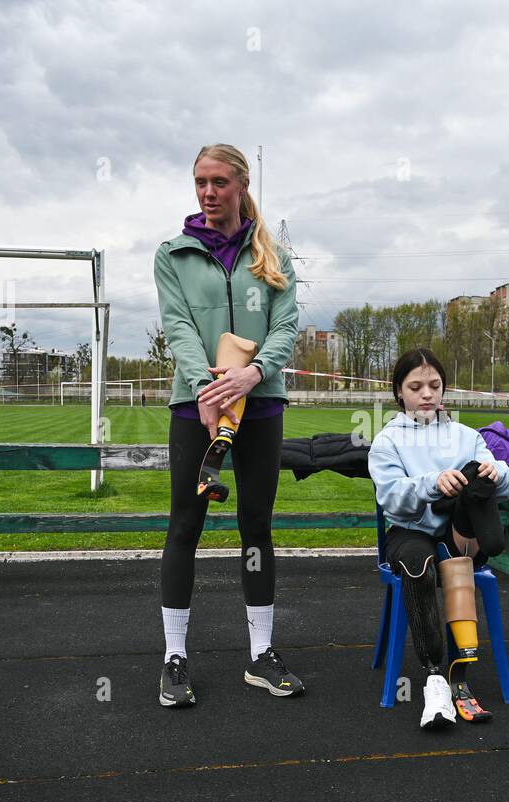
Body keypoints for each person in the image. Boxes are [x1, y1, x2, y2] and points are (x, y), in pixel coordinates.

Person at [153, 143, 301, 708]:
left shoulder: (273, 254)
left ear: (241, 185)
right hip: (196, 406)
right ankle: (174, 657)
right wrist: (206, 388)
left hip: (261, 404)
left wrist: (254, 375)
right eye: (199, 182)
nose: (208, 192)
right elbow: (178, 325)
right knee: (185, 524)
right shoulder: (174, 254)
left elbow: (285, 325)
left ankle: (261, 655)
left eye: (218, 182)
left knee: (256, 526)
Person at [369, 348, 509, 728]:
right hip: (410, 530)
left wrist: (497, 473)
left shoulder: (467, 436)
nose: (427, 394)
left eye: (434, 385)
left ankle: (460, 675)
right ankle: (435, 677)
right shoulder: (387, 440)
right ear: (399, 392)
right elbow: (391, 497)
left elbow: (506, 485)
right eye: (415, 387)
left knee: (462, 547)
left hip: (458, 533)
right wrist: (432, 484)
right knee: (419, 566)